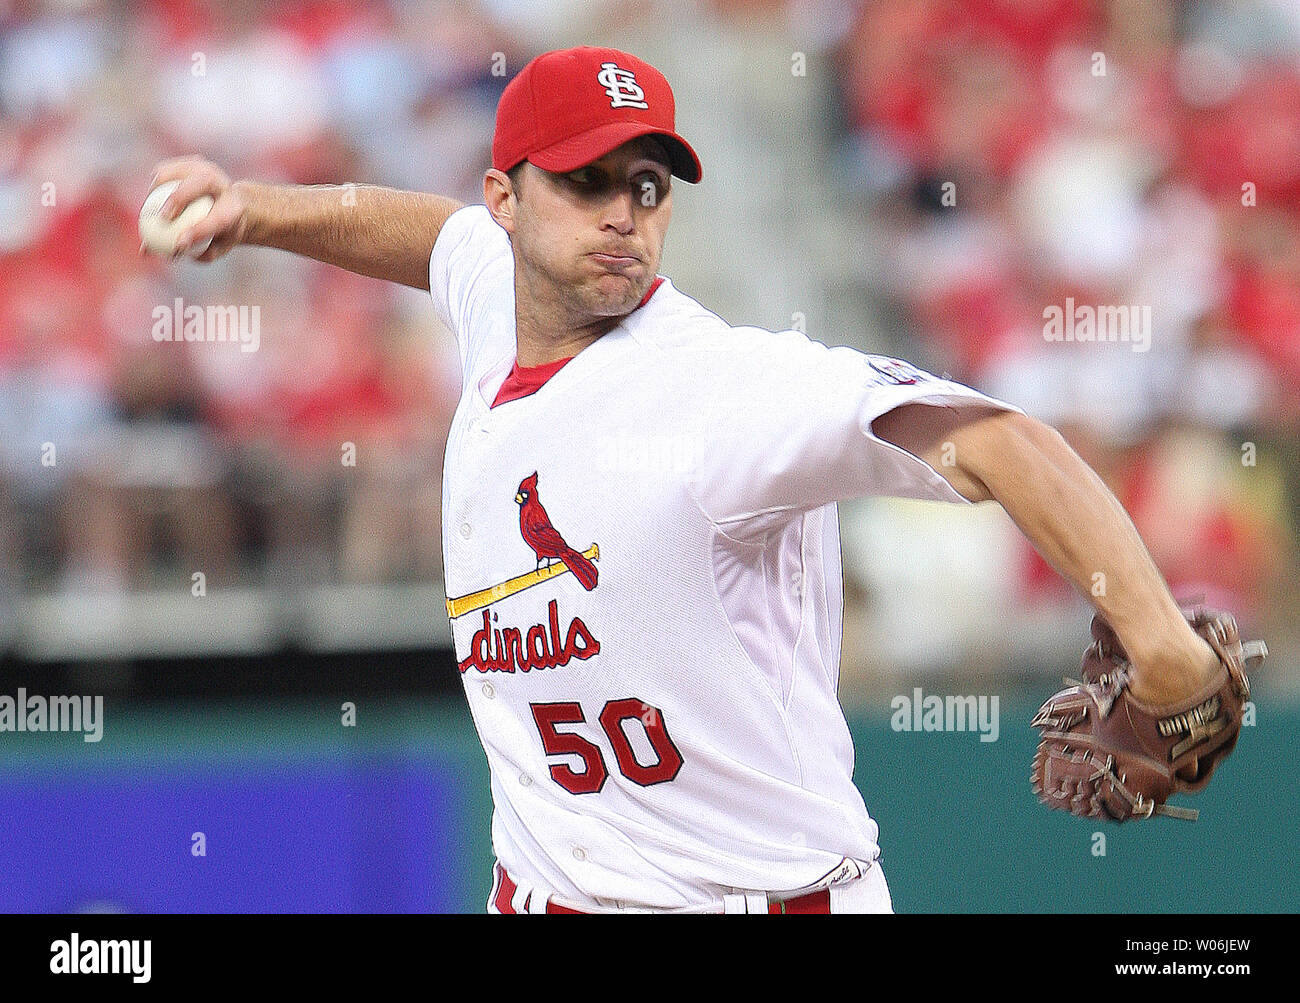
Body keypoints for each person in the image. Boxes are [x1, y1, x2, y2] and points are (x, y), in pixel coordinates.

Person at [149, 46, 1226, 914]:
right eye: (584, 180)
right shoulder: (497, 293)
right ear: (506, 201)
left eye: (647, 185)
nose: (622, 212)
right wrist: (252, 209)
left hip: (759, 896)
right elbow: (430, 240)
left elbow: (1001, 439)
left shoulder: (729, 390)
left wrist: (1161, 645)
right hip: (547, 890)